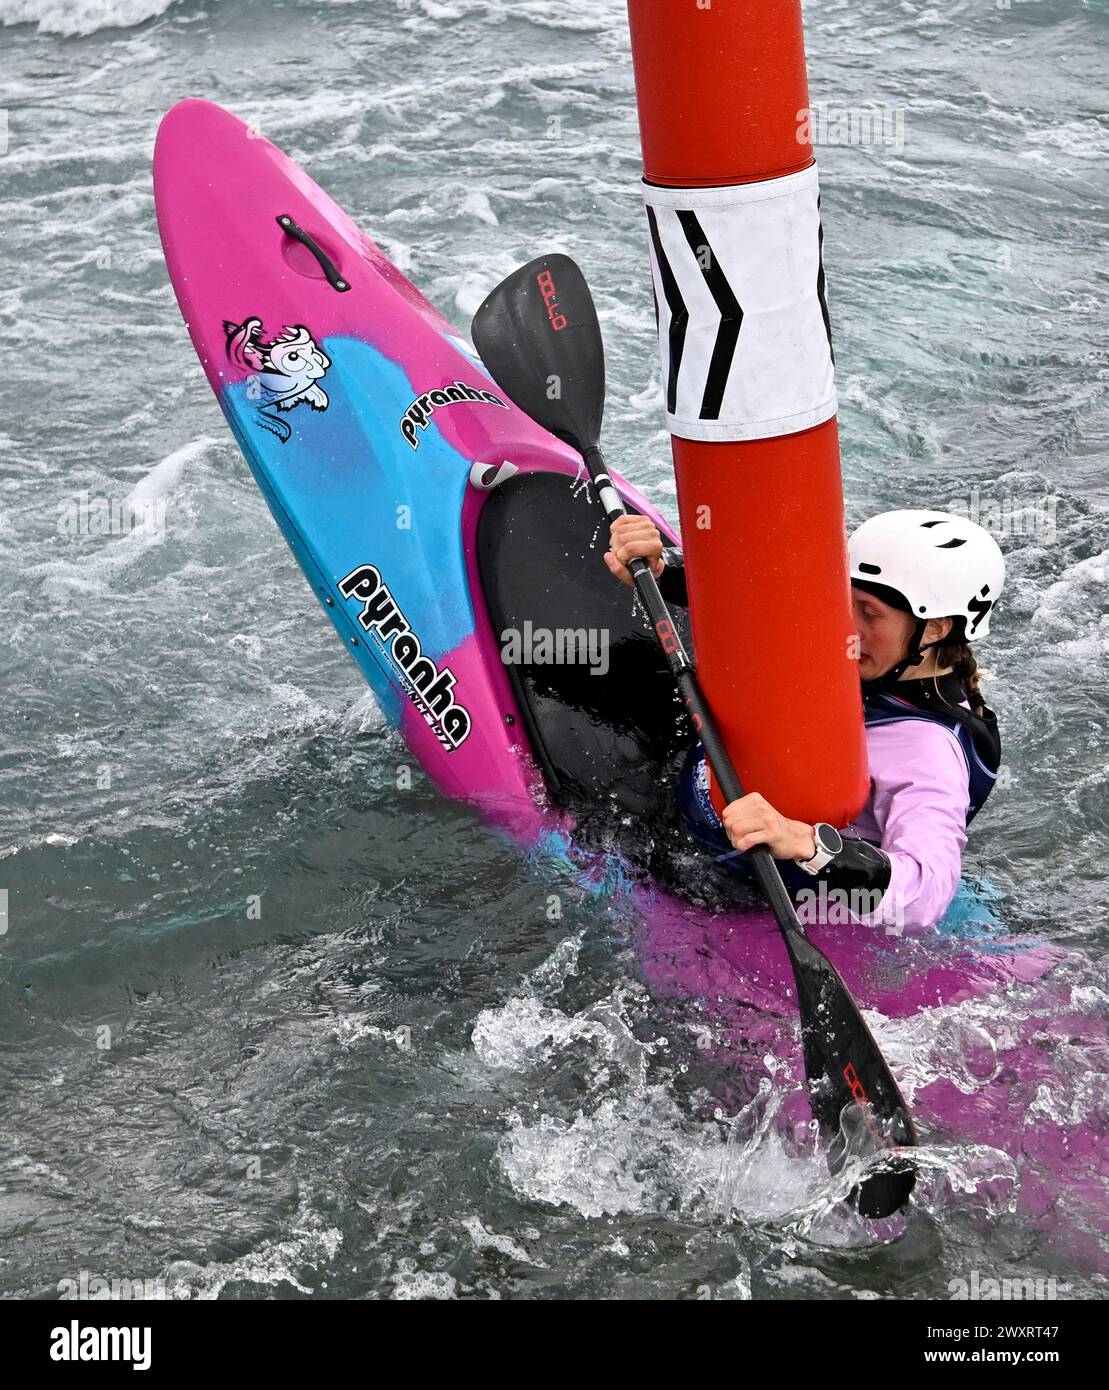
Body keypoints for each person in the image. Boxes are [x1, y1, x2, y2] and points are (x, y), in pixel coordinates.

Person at [604, 509, 1005, 931]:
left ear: (936, 629)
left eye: (868, 614)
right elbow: (766, 598)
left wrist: (806, 844)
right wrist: (658, 570)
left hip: (742, 890)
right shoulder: (873, 650)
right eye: (842, 601)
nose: (843, 627)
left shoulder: (927, 752)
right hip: (693, 806)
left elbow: (925, 896)